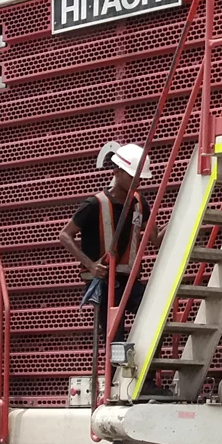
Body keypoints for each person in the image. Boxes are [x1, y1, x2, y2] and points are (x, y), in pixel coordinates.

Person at [57, 141, 162, 342]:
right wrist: (91, 265)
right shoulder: (94, 204)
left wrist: (184, 216)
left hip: (129, 281)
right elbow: (65, 234)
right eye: (133, 175)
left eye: (139, 176)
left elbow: (155, 240)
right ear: (117, 171)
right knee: (115, 338)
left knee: (155, 316)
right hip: (103, 282)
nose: (137, 181)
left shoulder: (140, 203)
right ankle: (114, 373)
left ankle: (147, 373)